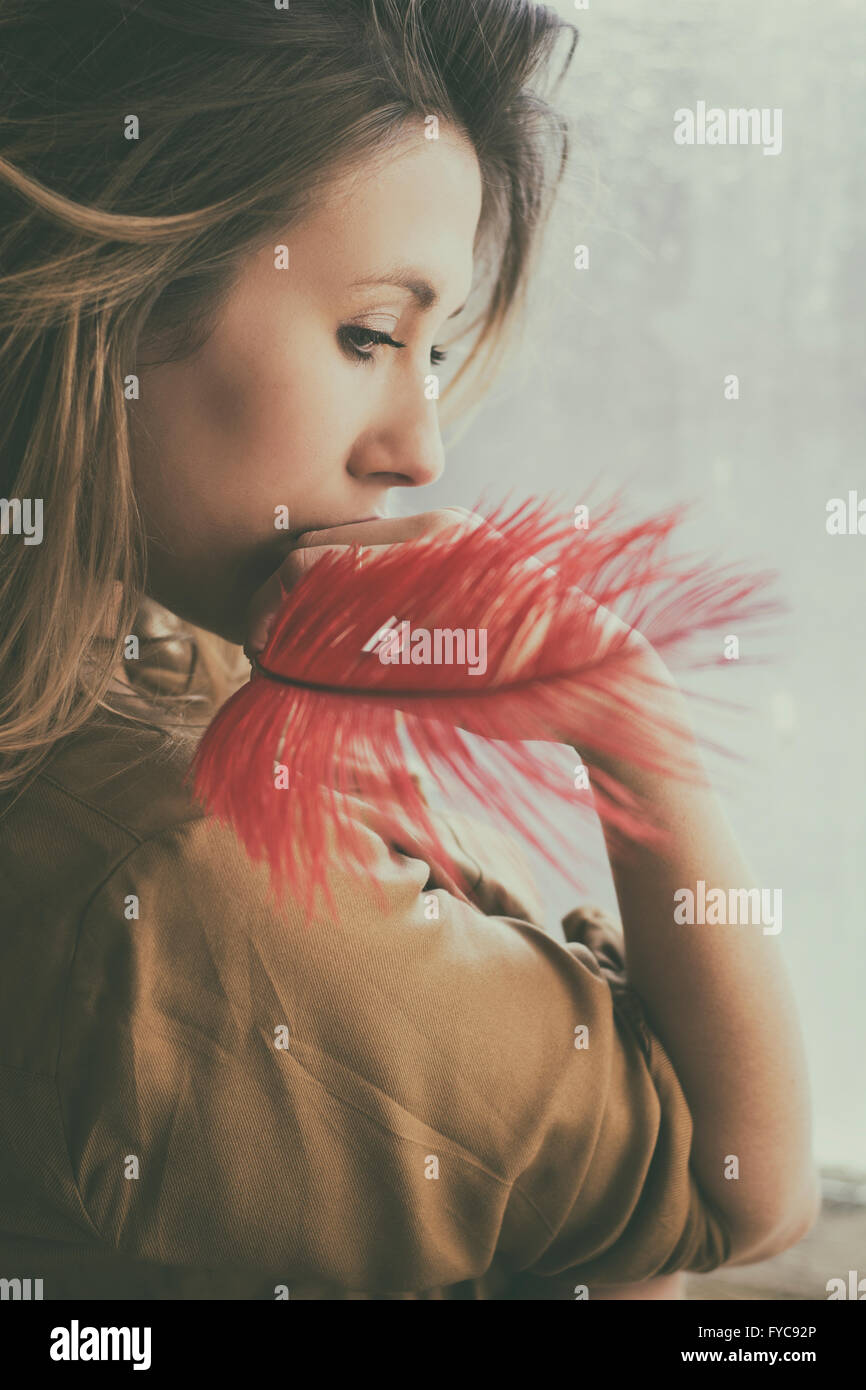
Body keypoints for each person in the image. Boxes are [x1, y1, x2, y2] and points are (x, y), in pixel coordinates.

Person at [0, 0, 819, 1300]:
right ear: (103, 293)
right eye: (370, 334)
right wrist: (620, 714)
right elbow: (736, 1191)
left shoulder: (145, 674)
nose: (419, 450)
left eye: (434, 354)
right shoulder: (175, 888)